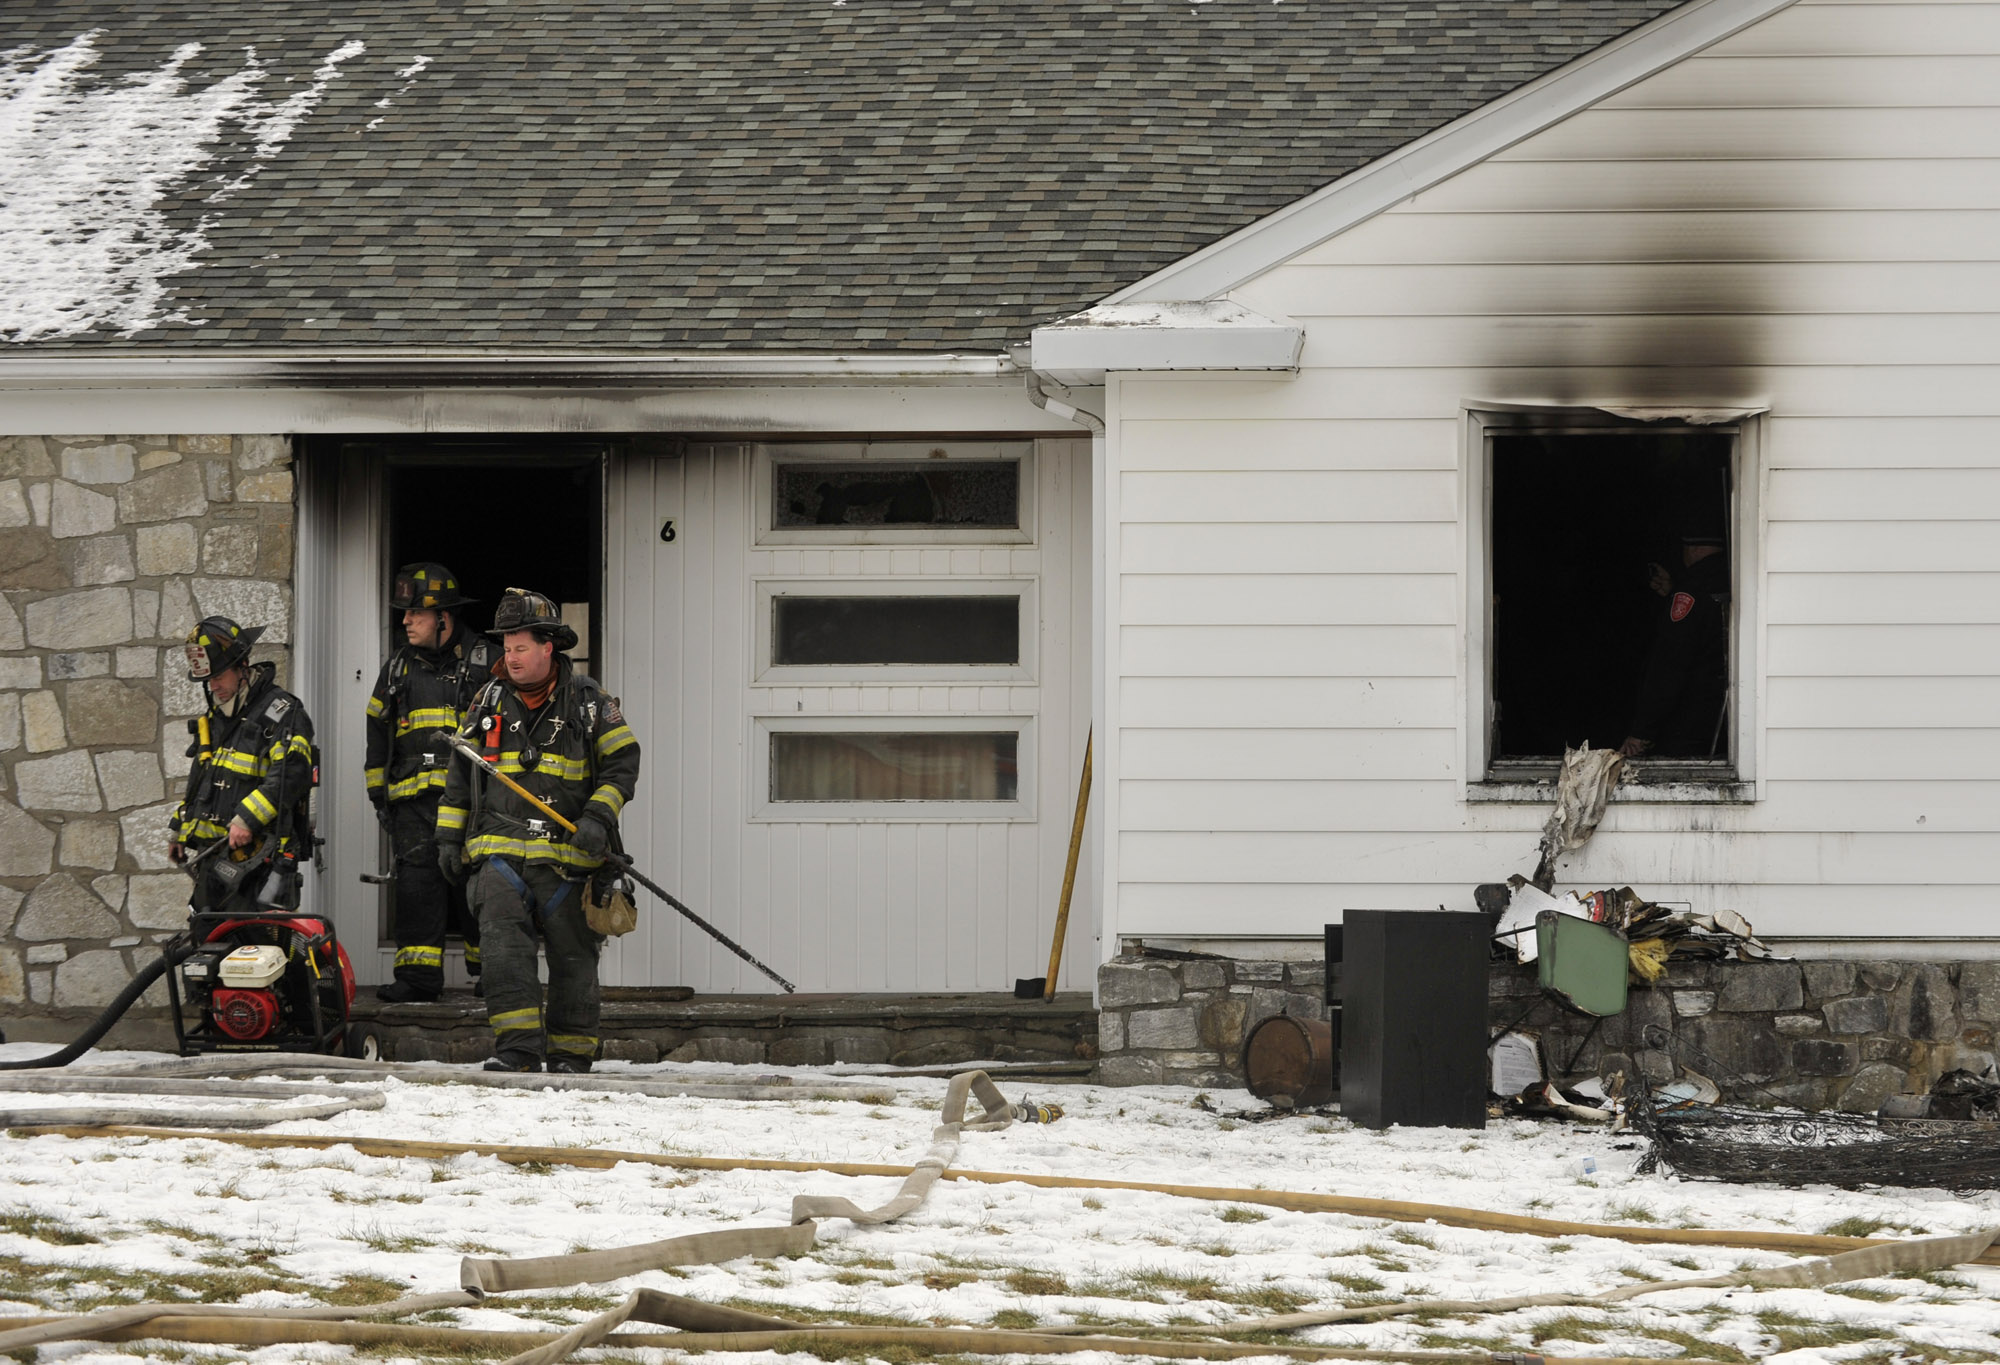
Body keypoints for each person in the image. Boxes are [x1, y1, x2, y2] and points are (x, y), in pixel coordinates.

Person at [436, 587, 640, 1073]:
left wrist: (597, 818)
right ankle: (518, 1051)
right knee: (503, 954)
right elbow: (459, 775)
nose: (512, 657)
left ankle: (571, 1056)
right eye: (507, 648)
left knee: (573, 960)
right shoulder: (487, 699)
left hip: (568, 861)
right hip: (499, 858)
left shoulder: (590, 702)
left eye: (521, 647)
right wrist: (447, 837)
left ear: (549, 647)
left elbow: (622, 765)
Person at [365, 563, 497, 1002]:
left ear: (444, 618)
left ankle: (493, 976)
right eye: (404, 614)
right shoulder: (397, 668)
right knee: (417, 886)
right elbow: (377, 731)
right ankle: (418, 979)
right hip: (413, 804)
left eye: (414, 614)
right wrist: (378, 792)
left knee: (477, 884)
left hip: (475, 803)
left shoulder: (487, 661)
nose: (404, 622)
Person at [168, 617, 317, 913]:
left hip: (258, 866)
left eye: (219, 676)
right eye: (208, 681)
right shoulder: (219, 718)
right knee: (205, 949)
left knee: (253, 954)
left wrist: (247, 819)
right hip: (213, 863)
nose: (213, 687)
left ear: (242, 667)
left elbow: (292, 774)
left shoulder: (282, 712)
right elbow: (202, 781)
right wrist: (179, 831)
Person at [1619, 532, 1730, 759]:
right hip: (1727, 719)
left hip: (1690, 721)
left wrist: (1642, 732)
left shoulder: (1690, 592)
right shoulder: (1735, 577)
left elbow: (1670, 664)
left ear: (1692, 549)